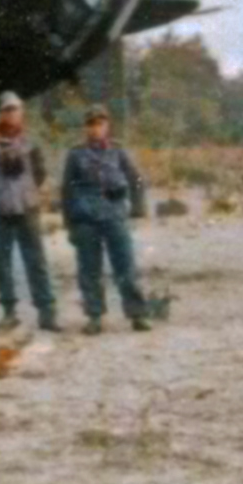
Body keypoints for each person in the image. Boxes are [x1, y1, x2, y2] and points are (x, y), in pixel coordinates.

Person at [61, 104, 150, 334]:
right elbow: (66, 191)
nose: (95, 128)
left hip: (114, 216)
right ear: (85, 127)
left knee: (126, 267)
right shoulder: (76, 154)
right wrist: (70, 224)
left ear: (107, 125)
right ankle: (94, 317)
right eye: (91, 124)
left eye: (100, 123)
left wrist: (138, 207)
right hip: (86, 218)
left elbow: (137, 179)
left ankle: (137, 314)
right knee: (89, 271)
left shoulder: (118, 152)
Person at [0, 90, 57, 330]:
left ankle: (46, 312)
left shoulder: (31, 141)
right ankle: (9, 312)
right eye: (6, 110)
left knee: (36, 261)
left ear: (22, 112)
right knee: (2, 263)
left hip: (26, 209)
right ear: (0, 113)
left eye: (15, 109)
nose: (11, 114)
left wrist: (28, 191)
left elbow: (40, 171)